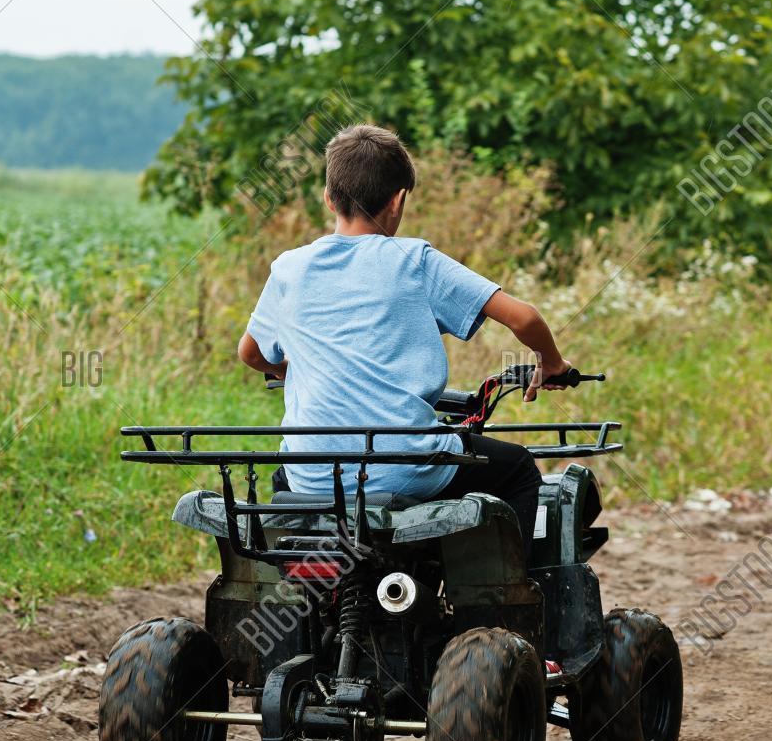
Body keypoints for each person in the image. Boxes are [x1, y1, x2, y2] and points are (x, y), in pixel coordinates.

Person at [238, 123, 575, 563]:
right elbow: (523, 317)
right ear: (398, 200)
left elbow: (250, 353)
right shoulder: (414, 260)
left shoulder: (289, 268)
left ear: (328, 198)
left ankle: (307, 584)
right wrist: (551, 362)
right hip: (405, 468)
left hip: (311, 476)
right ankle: (506, 593)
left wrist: (290, 369)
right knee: (519, 471)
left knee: (287, 479)